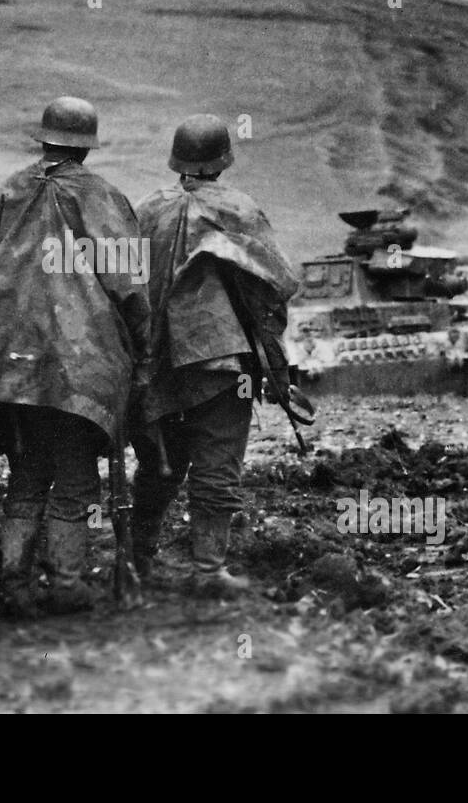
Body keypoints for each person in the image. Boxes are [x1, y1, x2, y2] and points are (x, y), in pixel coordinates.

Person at [0, 96, 150, 617]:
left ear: (45, 139)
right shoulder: (102, 196)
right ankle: (67, 582)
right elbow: (129, 285)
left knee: (28, 472)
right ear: (87, 144)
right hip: (78, 361)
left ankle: (13, 582)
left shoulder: (6, 191)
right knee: (76, 477)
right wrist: (141, 347)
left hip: (8, 362)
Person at [130, 114, 308, 597]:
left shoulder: (146, 209)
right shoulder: (240, 210)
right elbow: (273, 287)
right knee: (217, 460)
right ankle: (207, 570)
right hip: (220, 360)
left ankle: (138, 560)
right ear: (223, 159)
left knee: (160, 462)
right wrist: (274, 363)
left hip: (157, 360)